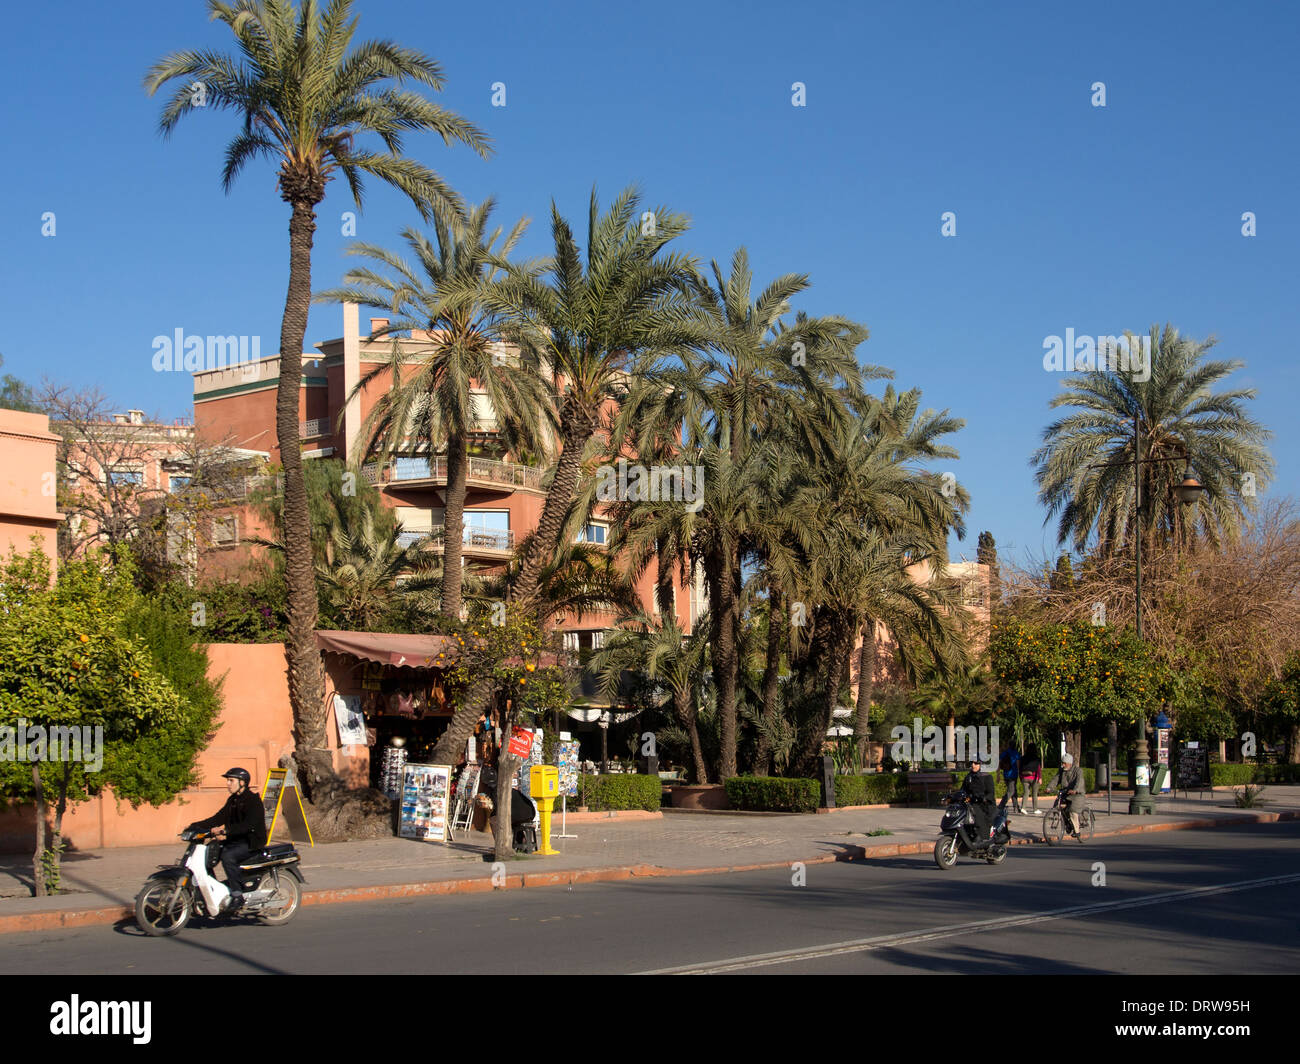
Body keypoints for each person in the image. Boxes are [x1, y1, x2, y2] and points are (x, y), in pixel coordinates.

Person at [186, 767, 267, 909]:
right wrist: (195, 826)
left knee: (228, 856)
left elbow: (248, 825)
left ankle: (237, 894)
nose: (228, 784)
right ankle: (214, 891)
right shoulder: (233, 800)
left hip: (251, 842)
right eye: (228, 780)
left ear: (242, 782)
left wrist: (225, 831)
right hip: (235, 840)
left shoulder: (253, 801)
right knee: (210, 853)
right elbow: (218, 818)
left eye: (231, 780)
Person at [960, 758, 996, 843]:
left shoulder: (987, 777)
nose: (973, 765)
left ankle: (982, 837)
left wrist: (984, 798)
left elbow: (991, 793)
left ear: (981, 765)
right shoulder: (969, 777)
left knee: (975, 811)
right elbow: (962, 790)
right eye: (972, 763)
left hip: (985, 805)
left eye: (976, 763)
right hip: (972, 803)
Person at [1053, 752, 1085, 837]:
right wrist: (1049, 788)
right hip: (1066, 793)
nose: (1063, 765)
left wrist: (1075, 790)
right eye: (1062, 763)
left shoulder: (1078, 771)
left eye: (1064, 763)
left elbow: (1079, 781)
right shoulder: (1061, 770)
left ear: (1069, 763)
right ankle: (1067, 823)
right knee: (1058, 806)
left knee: (1073, 811)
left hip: (1077, 794)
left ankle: (1077, 831)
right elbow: (1055, 780)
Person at [999, 743, 1022, 814]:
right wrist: (1019, 772)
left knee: (1013, 790)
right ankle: (1001, 805)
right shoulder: (1016, 753)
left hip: (1006, 774)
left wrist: (998, 774)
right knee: (1011, 791)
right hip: (1013, 774)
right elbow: (1018, 764)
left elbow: (999, 763)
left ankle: (1016, 807)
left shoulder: (1004, 753)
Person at [1020, 743, 1042, 814]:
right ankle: (1035, 809)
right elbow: (1038, 769)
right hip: (1034, 777)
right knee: (1034, 794)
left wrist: (1020, 777)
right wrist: (1040, 778)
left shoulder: (1023, 758)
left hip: (1024, 777)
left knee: (1026, 792)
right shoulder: (1036, 758)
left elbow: (1020, 768)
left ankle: (1023, 808)